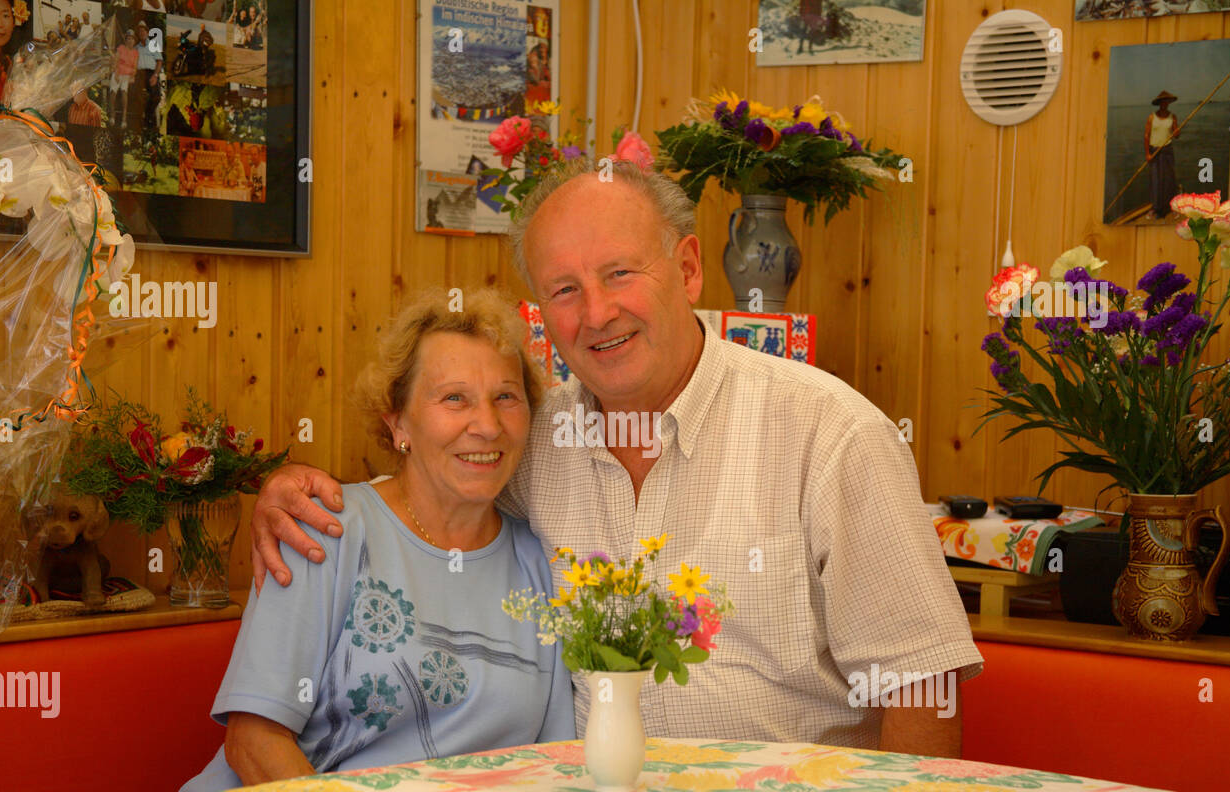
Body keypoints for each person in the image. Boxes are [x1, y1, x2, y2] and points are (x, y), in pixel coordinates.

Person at [251, 159, 983, 757]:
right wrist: (291, 494)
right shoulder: (532, 442)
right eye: (564, 290)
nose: (596, 313)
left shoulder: (832, 436)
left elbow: (921, 688)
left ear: (690, 268)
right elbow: (428, 490)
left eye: (620, 274)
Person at [178, 288, 575, 792]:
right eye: (454, 398)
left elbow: (556, 761)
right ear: (398, 423)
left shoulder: (540, 563)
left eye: (506, 397)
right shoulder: (324, 526)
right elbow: (255, 741)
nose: (487, 425)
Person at [1145, 90, 1180, 220]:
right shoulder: (1152, 117)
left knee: (1169, 179)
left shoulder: (1173, 117)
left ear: (1169, 103)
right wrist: (1148, 153)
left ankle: (1172, 207)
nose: (1165, 104)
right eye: (1163, 102)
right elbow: (1146, 135)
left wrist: (1177, 132)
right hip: (1154, 151)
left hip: (1167, 150)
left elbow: (1176, 135)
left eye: (1167, 101)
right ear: (1159, 103)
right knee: (1155, 180)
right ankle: (1155, 208)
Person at [109, 29, 140, 128]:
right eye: (128, 38)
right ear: (126, 40)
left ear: (134, 41)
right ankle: (112, 115)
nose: (130, 40)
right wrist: (117, 74)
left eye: (132, 39)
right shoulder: (121, 48)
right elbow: (116, 61)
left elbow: (134, 67)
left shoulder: (135, 53)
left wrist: (132, 76)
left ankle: (124, 118)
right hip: (118, 73)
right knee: (113, 92)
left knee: (124, 92)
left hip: (127, 76)